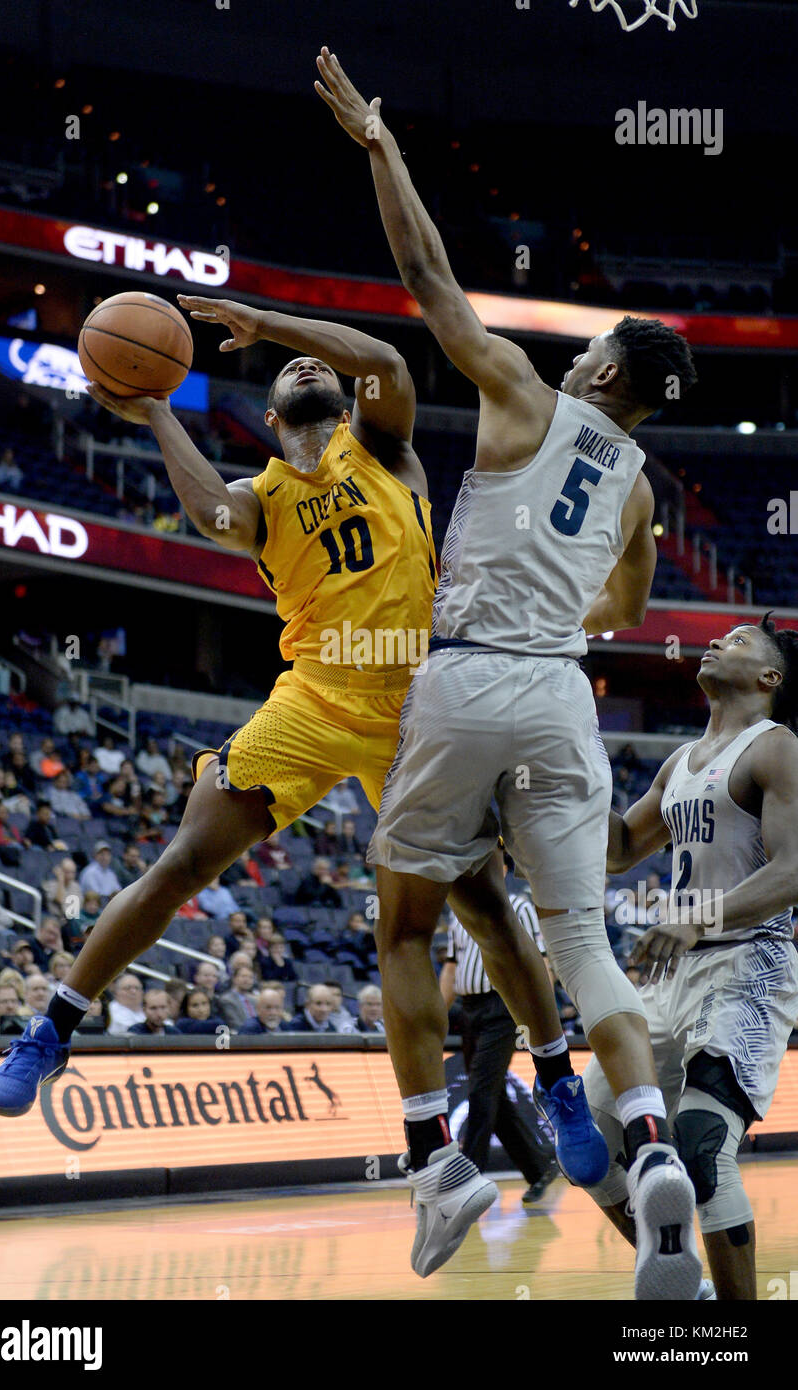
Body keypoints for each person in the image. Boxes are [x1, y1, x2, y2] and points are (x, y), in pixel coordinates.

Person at [0, 267, 594, 1234]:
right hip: (310, 701)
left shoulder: (386, 452)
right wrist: (153, 415)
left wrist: (267, 323)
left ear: (344, 403)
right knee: (184, 860)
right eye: (288, 373)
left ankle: (555, 1072)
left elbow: (387, 356)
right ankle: (51, 1028)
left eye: (321, 367)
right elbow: (205, 517)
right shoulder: (258, 497)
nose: (310, 367)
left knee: (479, 899)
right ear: (269, 421)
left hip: (415, 710)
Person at [316, 49, 700, 1291]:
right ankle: (648, 1148)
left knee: (407, 921)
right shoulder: (639, 482)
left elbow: (425, 278)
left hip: (471, 674)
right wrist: (558, 598)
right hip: (557, 695)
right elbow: (630, 605)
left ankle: (437, 1163)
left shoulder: (528, 394)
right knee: (582, 936)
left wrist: (383, 147)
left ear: (596, 371)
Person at [584, 616, 798, 1301]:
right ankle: (684, 1286)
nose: (716, 642)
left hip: (746, 963)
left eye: (737, 641)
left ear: (769, 679)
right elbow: (619, 848)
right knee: (590, 1142)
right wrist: (558, 786)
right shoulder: (680, 760)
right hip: (669, 974)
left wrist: (694, 919)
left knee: (702, 1145)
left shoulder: (777, 748)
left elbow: (794, 871)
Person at [441, 913, 559, 1207]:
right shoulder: (458, 916)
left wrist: (540, 1009)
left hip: (505, 1004)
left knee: (481, 1090)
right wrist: (438, 1017)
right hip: (469, 1009)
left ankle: (467, 1181)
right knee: (492, 1094)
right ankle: (539, 1168)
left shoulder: (518, 906)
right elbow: (450, 969)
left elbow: (541, 960)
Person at [217, 962, 258, 1031]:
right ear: (234, 979)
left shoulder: (254, 1000)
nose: (247, 980)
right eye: (243, 976)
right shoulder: (226, 1000)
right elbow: (235, 1024)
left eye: (250, 977)